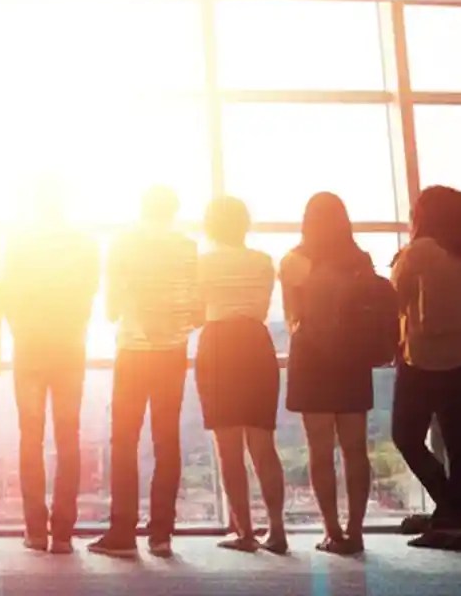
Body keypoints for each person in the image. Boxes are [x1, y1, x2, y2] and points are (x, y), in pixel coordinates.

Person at [90, 186, 199, 559]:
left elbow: (111, 309)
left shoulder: (124, 243)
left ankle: (123, 532)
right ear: (173, 210)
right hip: (173, 352)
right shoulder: (187, 247)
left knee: (124, 441)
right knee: (167, 440)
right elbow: (196, 307)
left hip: (134, 350)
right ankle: (161, 534)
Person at [2, 175, 98, 555]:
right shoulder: (84, 243)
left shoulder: (19, 243)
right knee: (68, 436)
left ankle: (35, 531)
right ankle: (62, 534)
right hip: (69, 346)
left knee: (31, 437)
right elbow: (90, 293)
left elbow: (8, 295)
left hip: (30, 345)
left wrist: (20, 329)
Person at [280, 192, 375, 555]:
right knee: (356, 449)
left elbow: (292, 317)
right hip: (352, 358)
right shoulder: (360, 260)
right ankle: (356, 530)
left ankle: (332, 531)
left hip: (312, 360)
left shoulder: (294, 261)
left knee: (320, 451)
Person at [391, 186, 461, 551]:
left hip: (421, 358)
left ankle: (450, 514)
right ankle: (451, 515)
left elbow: (396, 300)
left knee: (406, 437)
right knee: (460, 441)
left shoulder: (416, 253)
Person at [195, 196, 286, 554]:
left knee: (228, 447)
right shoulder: (263, 262)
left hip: (219, 343)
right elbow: (262, 308)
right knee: (263, 444)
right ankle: (277, 530)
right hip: (255, 342)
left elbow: (197, 310)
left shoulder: (202, 264)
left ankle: (245, 531)